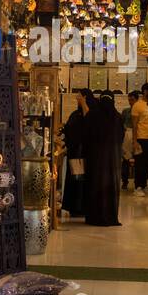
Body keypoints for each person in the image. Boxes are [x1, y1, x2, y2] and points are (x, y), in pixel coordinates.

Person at [83, 93, 123, 226]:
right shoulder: (117, 117)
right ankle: (110, 216)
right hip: (113, 160)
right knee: (110, 187)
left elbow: (86, 136)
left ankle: (95, 216)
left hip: (95, 159)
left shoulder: (92, 115)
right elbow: (121, 137)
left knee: (95, 184)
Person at [60, 90, 89, 219]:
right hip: (73, 152)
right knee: (74, 180)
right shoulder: (75, 114)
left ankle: (80, 207)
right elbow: (68, 129)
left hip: (82, 153)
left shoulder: (88, 113)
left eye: (79, 97)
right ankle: (73, 207)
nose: (77, 100)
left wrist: (83, 103)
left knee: (80, 181)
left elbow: (88, 122)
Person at [131, 82, 148, 196]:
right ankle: (138, 187)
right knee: (140, 164)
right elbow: (134, 125)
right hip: (141, 138)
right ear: (145, 91)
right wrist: (135, 141)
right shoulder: (137, 105)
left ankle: (144, 185)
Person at [120, 90, 139, 190]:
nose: (130, 102)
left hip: (138, 135)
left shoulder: (140, 111)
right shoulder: (125, 111)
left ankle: (137, 183)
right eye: (129, 100)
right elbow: (121, 123)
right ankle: (125, 181)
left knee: (138, 160)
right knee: (126, 159)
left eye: (132, 100)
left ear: (137, 100)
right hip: (127, 135)